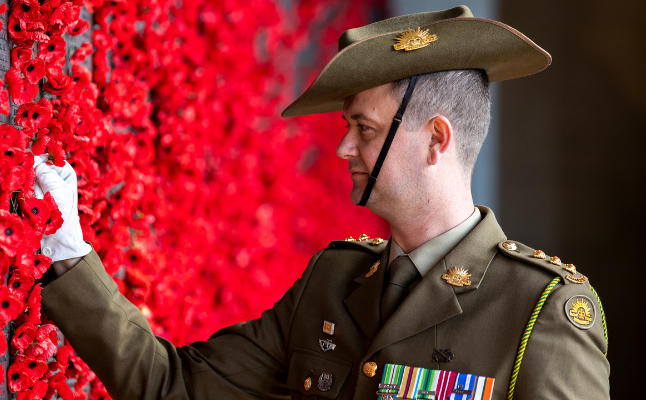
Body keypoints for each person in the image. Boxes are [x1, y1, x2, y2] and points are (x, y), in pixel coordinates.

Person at [32, 6, 609, 399]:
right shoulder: (336, 280)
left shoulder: (540, 310)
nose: (343, 147)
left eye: (364, 128)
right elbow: (176, 386)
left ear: (436, 140)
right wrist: (68, 250)